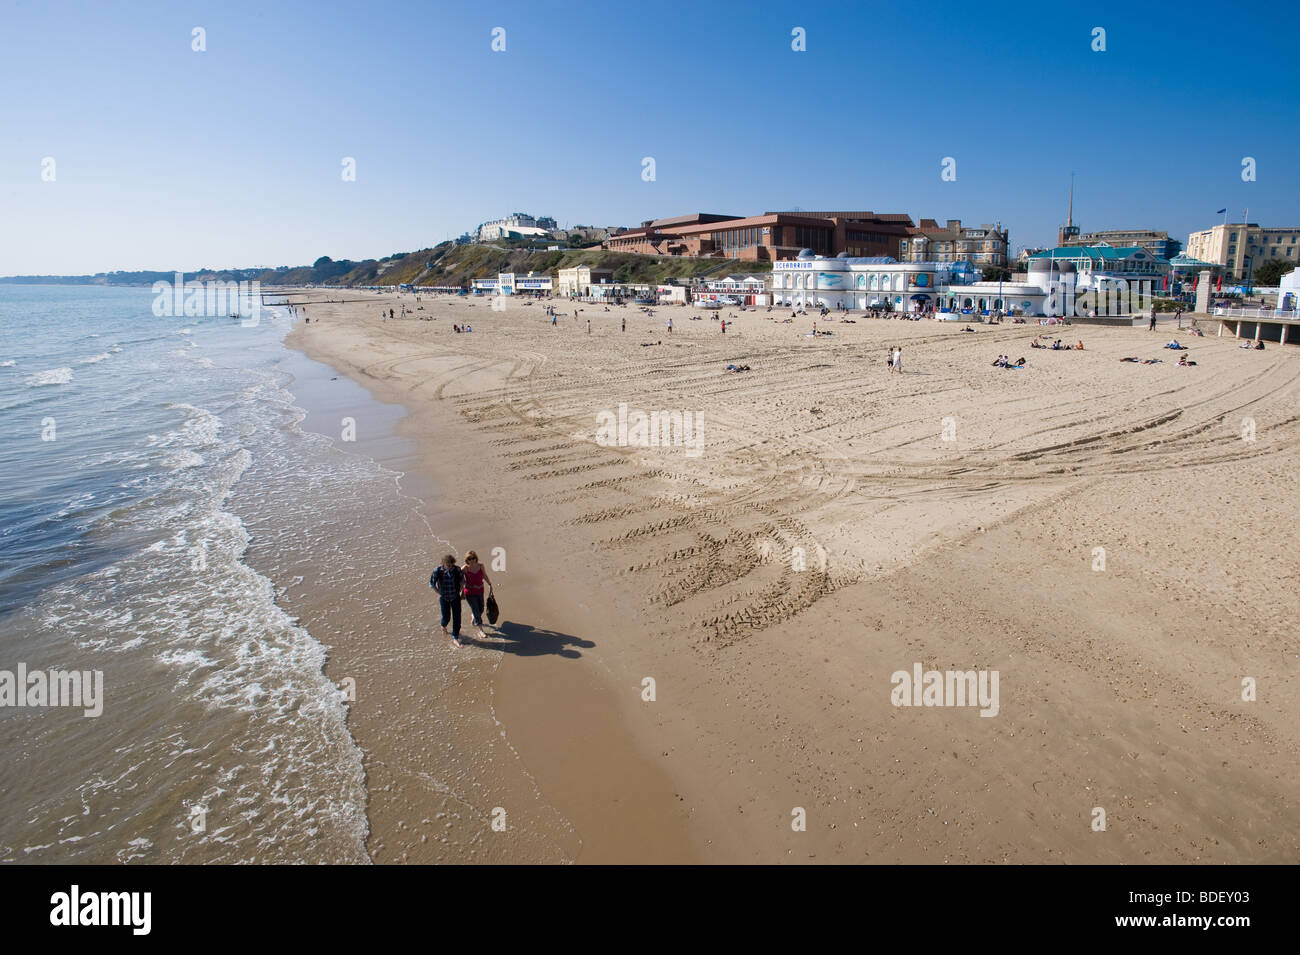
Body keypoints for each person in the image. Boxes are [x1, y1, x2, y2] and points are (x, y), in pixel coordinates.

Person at [430, 554, 465, 648]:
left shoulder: (457, 570)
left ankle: (455, 637)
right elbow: (432, 584)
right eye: (448, 565)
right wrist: (439, 592)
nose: (451, 567)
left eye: (452, 565)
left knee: (457, 617)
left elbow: (462, 581)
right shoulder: (437, 571)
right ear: (443, 564)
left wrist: (462, 592)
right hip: (444, 598)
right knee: (446, 617)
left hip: (455, 597)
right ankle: (443, 625)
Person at [461, 551, 494, 638]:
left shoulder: (480, 566)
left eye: (473, 558)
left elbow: (485, 575)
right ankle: (481, 630)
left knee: (481, 608)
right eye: (469, 559)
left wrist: (490, 584)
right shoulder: (465, 568)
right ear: (467, 560)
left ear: (476, 558)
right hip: (469, 592)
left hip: (480, 590)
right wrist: (463, 586)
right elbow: (457, 577)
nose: (471, 560)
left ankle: (473, 616)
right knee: (476, 610)